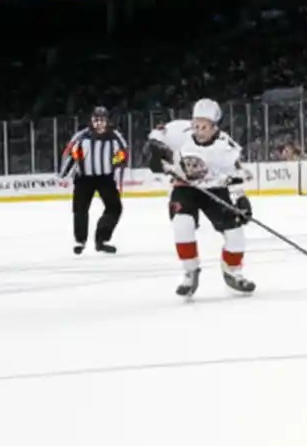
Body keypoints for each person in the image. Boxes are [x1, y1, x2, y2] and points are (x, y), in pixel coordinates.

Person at [147, 98, 256, 298]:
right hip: (185, 188)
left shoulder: (226, 146)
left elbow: (238, 174)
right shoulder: (181, 132)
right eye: (196, 125)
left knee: (236, 234)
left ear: (215, 126)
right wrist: (155, 151)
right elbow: (157, 136)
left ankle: (233, 270)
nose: (198, 130)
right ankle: (190, 271)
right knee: (182, 224)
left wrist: (241, 199)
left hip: (215, 189)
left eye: (204, 126)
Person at [59, 106, 128, 254]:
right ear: (91, 121)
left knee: (115, 208)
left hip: (105, 178)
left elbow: (123, 154)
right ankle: (80, 241)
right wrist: (64, 174)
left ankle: (101, 239)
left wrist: (114, 162)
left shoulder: (115, 137)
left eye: (102, 120)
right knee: (80, 209)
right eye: (96, 120)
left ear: (107, 121)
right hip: (84, 178)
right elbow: (72, 155)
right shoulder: (82, 137)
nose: (99, 124)